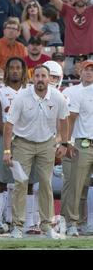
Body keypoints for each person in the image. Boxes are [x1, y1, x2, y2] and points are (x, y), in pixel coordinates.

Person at [3, 64, 69, 239]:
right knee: (20, 183)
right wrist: (7, 150)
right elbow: (9, 125)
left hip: (47, 143)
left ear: (49, 79)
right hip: (23, 143)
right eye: (37, 76)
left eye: (44, 76)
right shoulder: (21, 97)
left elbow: (64, 120)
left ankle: (47, 226)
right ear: (32, 78)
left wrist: (64, 143)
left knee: (46, 184)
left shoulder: (58, 97)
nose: (40, 79)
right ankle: (17, 225)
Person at [0, 57, 29, 236]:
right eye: (11, 67)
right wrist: (8, 140)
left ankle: (28, 222)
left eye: (18, 68)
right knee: (0, 181)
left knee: (27, 181)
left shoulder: (31, 91)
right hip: (5, 140)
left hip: (27, 141)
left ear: (23, 70)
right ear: (6, 71)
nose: (14, 71)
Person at [30, 0, 93, 75]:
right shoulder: (68, 10)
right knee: (68, 86)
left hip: (90, 57)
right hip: (69, 57)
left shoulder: (91, 11)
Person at [65, 60, 93, 236]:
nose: (89, 72)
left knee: (81, 186)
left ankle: (82, 222)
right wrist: (67, 142)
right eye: (86, 69)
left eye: (92, 70)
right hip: (83, 143)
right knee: (77, 186)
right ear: (80, 73)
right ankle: (73, 223)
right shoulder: (78, 93)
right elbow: (71, 119)